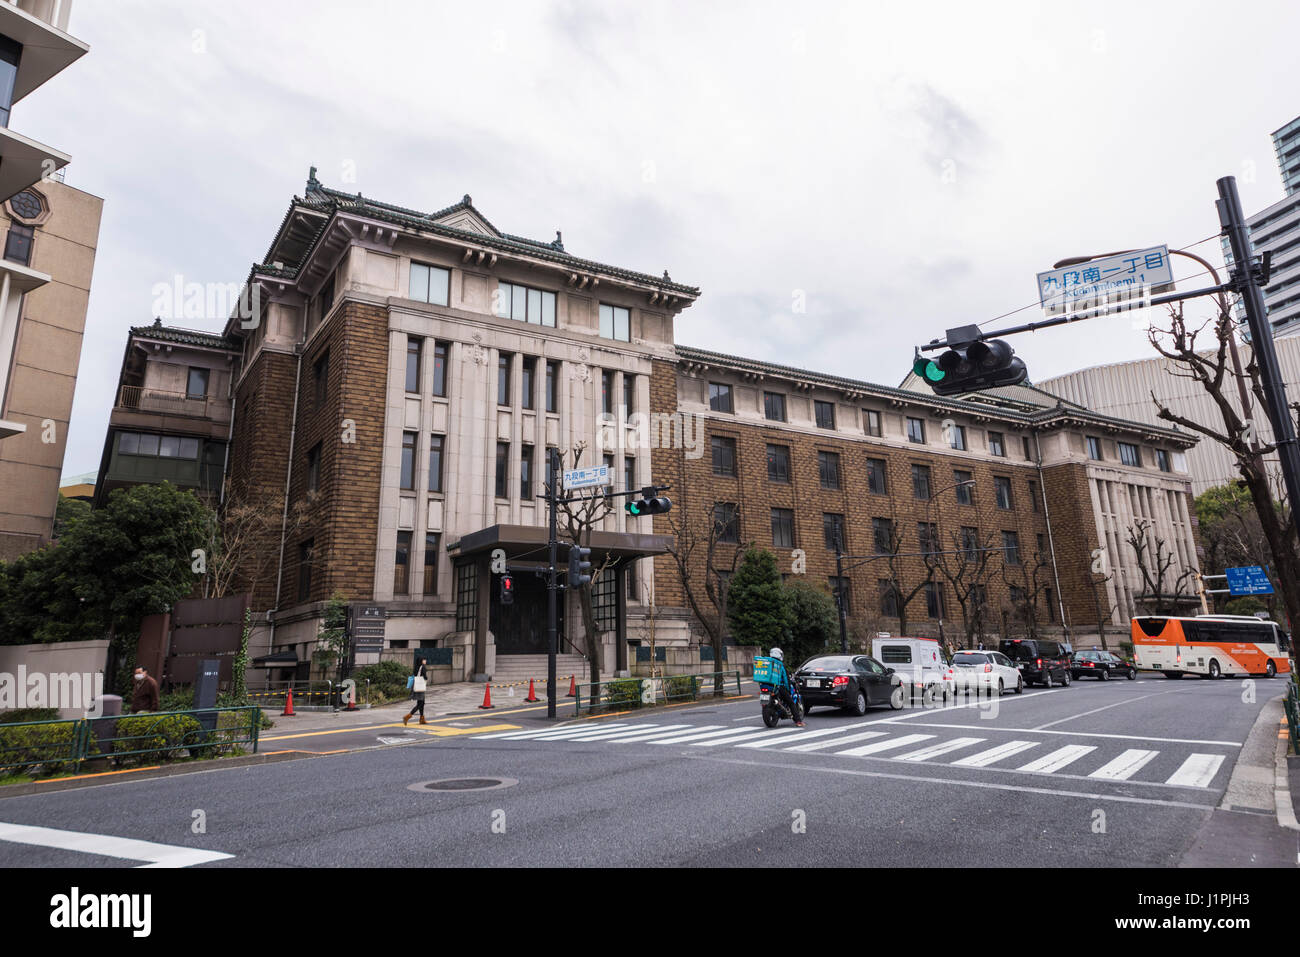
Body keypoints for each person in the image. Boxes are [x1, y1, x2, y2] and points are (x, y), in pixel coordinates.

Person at [769, 647, 804, 727]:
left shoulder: (768, 664)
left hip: (768, 687)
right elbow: (785, 678)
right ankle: (798, 721)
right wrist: (788, 689)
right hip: (779, 687)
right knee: (791, 703)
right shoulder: (780, 665)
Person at [403, 657, 428, 725]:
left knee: (421, 703)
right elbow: (425, 676)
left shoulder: (416, 667)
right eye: (424, 660)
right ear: (421, 661)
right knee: (420, 704)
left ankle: (422, 719)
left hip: (416, 686)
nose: (425, 661)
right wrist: (426, 678)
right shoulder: (423, 667)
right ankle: (407, 716)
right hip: (420, 687)